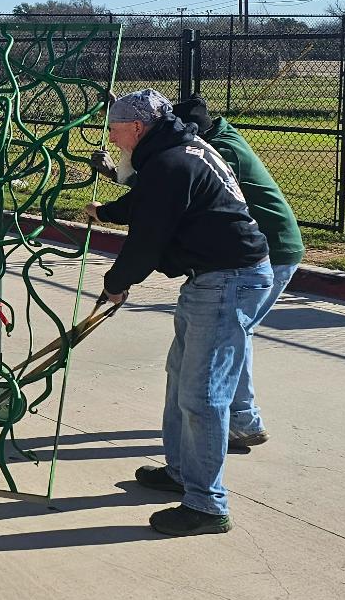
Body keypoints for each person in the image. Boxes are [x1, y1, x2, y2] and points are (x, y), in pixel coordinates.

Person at [83, 88, 271, 537]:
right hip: (210, 276)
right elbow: (149, 201)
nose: (110, 136)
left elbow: (147, 238)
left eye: (114, 127)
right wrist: (108, 212)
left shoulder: (170, 161)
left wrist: (116, 284)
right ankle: (182, 472)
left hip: (229, 279)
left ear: (136, 127)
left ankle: (207, 506)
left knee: (202, 393)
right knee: (179, 373)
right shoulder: (174, 151)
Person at [172, 95, 304, 449]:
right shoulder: (218, 142)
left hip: (270, 251)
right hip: (263, 250)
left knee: (232, 334)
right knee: (236, 333)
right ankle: (242, 419)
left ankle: (242, 420)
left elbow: (182, 193)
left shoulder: (218, 152)